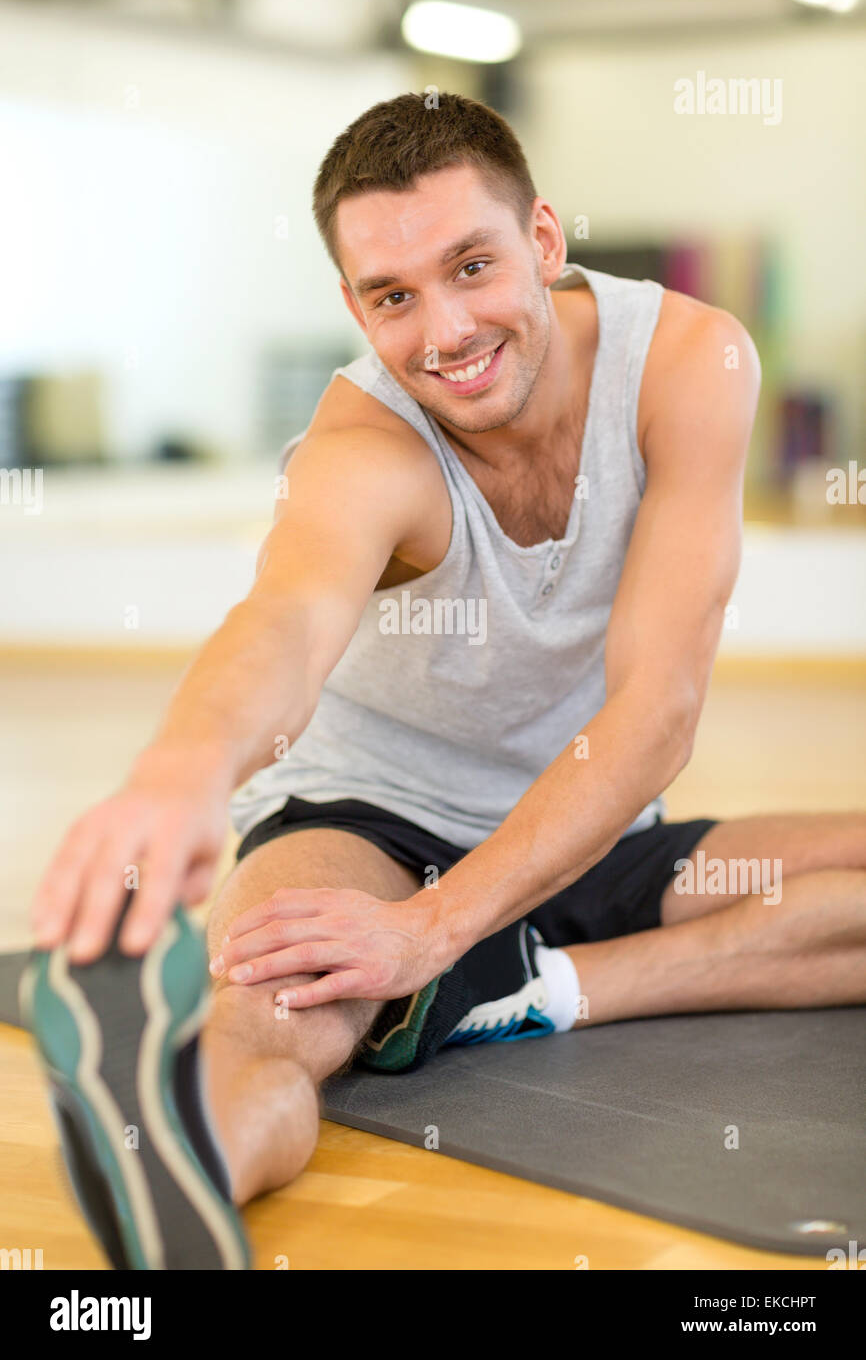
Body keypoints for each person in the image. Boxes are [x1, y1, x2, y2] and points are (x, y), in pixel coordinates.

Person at [27, 92, 866, 1269]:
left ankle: (536, 982)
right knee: (264, 1029)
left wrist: (438, 933)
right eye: (392, 296)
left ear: (543, 242)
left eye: (471, 265)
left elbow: (656, 711)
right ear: (351, 305)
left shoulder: (685, 357)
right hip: (366, 826)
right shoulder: (363, 449)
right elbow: (282, 622)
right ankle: (176, 1150)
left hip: (584, 824)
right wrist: (180, 770)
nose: (445, 331)